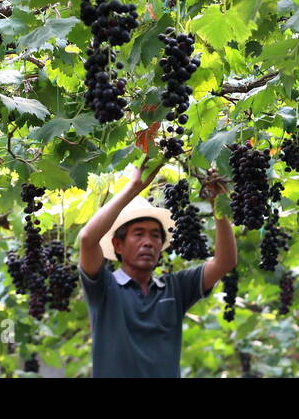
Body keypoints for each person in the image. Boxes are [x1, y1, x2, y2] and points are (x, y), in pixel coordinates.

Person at [77, 152, 236, 377]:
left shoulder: (176, 288)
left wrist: (218, 204)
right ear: (117, 245)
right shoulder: (103, 288)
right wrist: (134, 187)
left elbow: (225, 262)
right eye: (138, 234)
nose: (148, 242)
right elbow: (87, 239)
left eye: (154, 235)